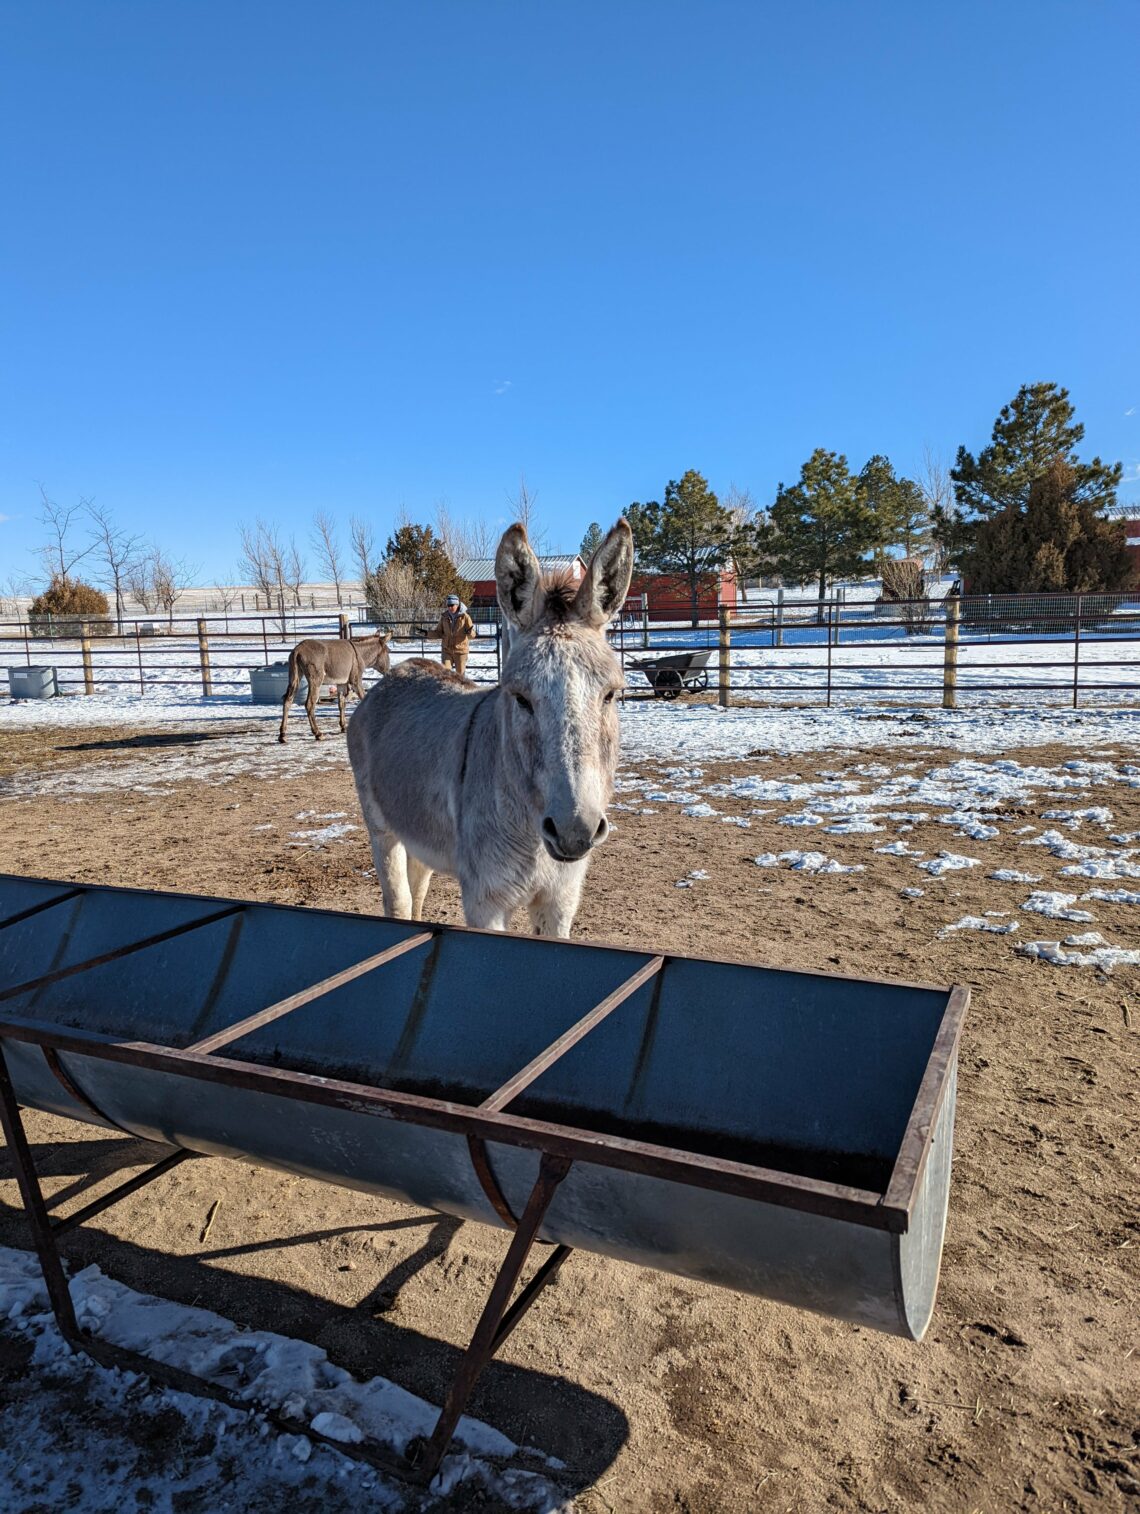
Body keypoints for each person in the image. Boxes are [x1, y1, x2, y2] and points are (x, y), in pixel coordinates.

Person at [435, 593, 476, 678]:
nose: (449, 607)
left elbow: (472, 635)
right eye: (448, 605)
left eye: (452, 605)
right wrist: (426, 633)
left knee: (460, 676)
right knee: (445, 675)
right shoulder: (444, 617)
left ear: (457, 605)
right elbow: (438, 632)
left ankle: (460, 691)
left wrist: (470, 632)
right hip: (447, 650)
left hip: (460, 651)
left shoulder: (465, 617)